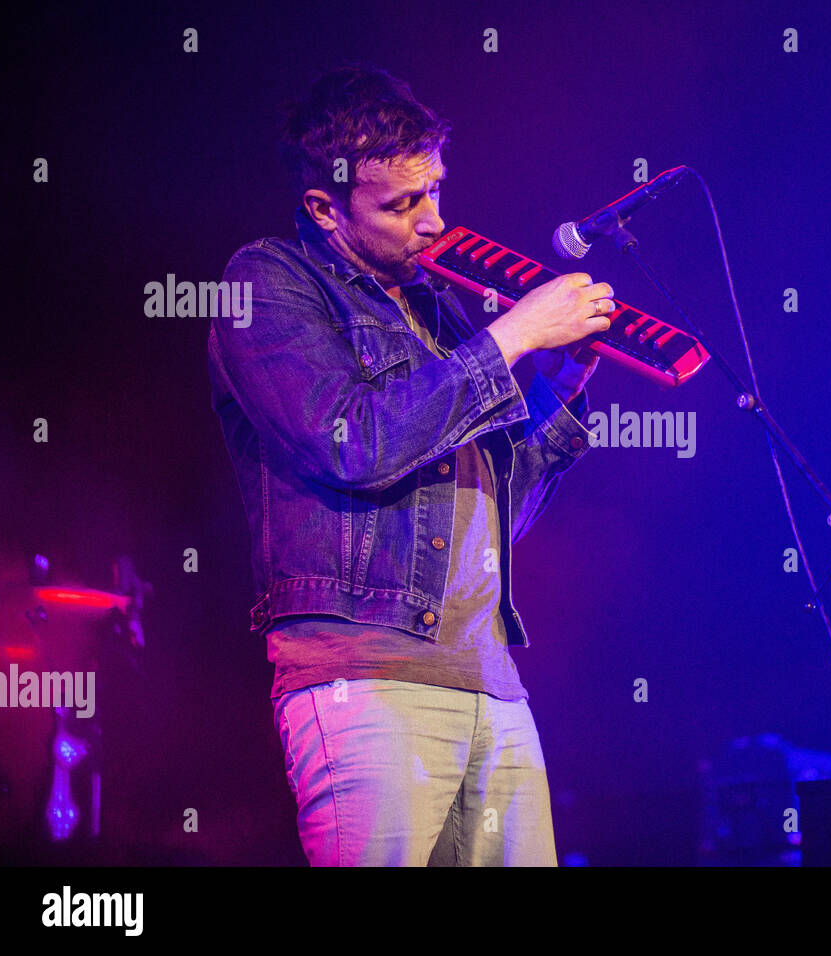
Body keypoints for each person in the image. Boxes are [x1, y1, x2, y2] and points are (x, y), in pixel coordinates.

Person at [207, 66, 614, 866]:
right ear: (325, 208)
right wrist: (510, 336)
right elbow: (350, 442)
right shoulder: (265, 282)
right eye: (401, 204)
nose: (434, 223)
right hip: (366, 676)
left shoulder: (437, 309)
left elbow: (501, 515)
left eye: (435, 191)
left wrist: (561, 385)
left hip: (491, 677)